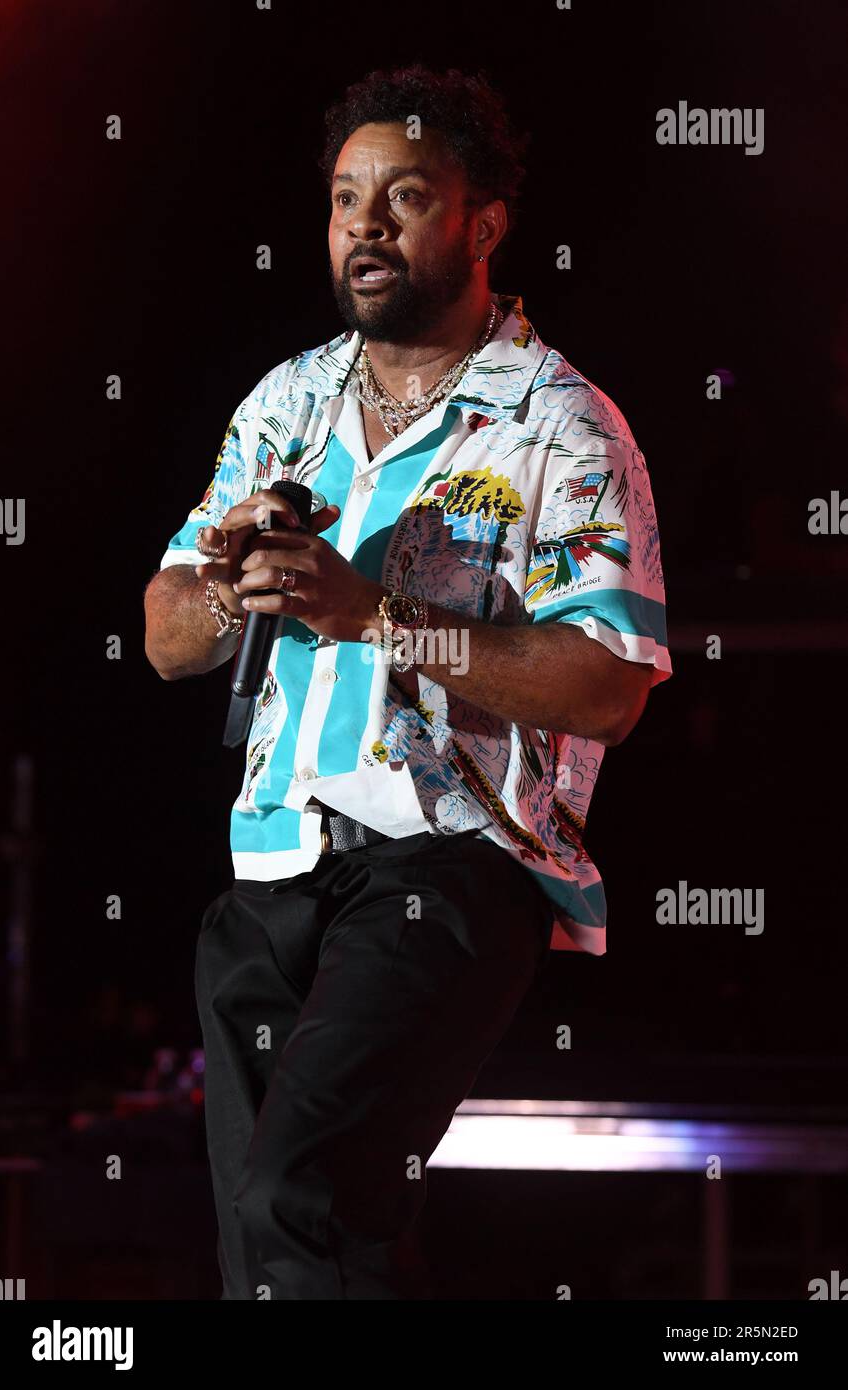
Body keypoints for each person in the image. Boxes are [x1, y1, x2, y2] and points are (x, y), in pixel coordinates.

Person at [144, 64, 672, 1300]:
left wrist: (375, 613)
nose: (363, 224)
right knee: (270, 1252)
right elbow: (169, 637)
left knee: (302, 1199)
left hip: (446, 869)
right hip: (272, 862)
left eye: (403, 195)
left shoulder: (561, 425)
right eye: (343, 199)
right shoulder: (288, 402)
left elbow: (605, 688)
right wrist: (231, 582)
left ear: (483, 223)